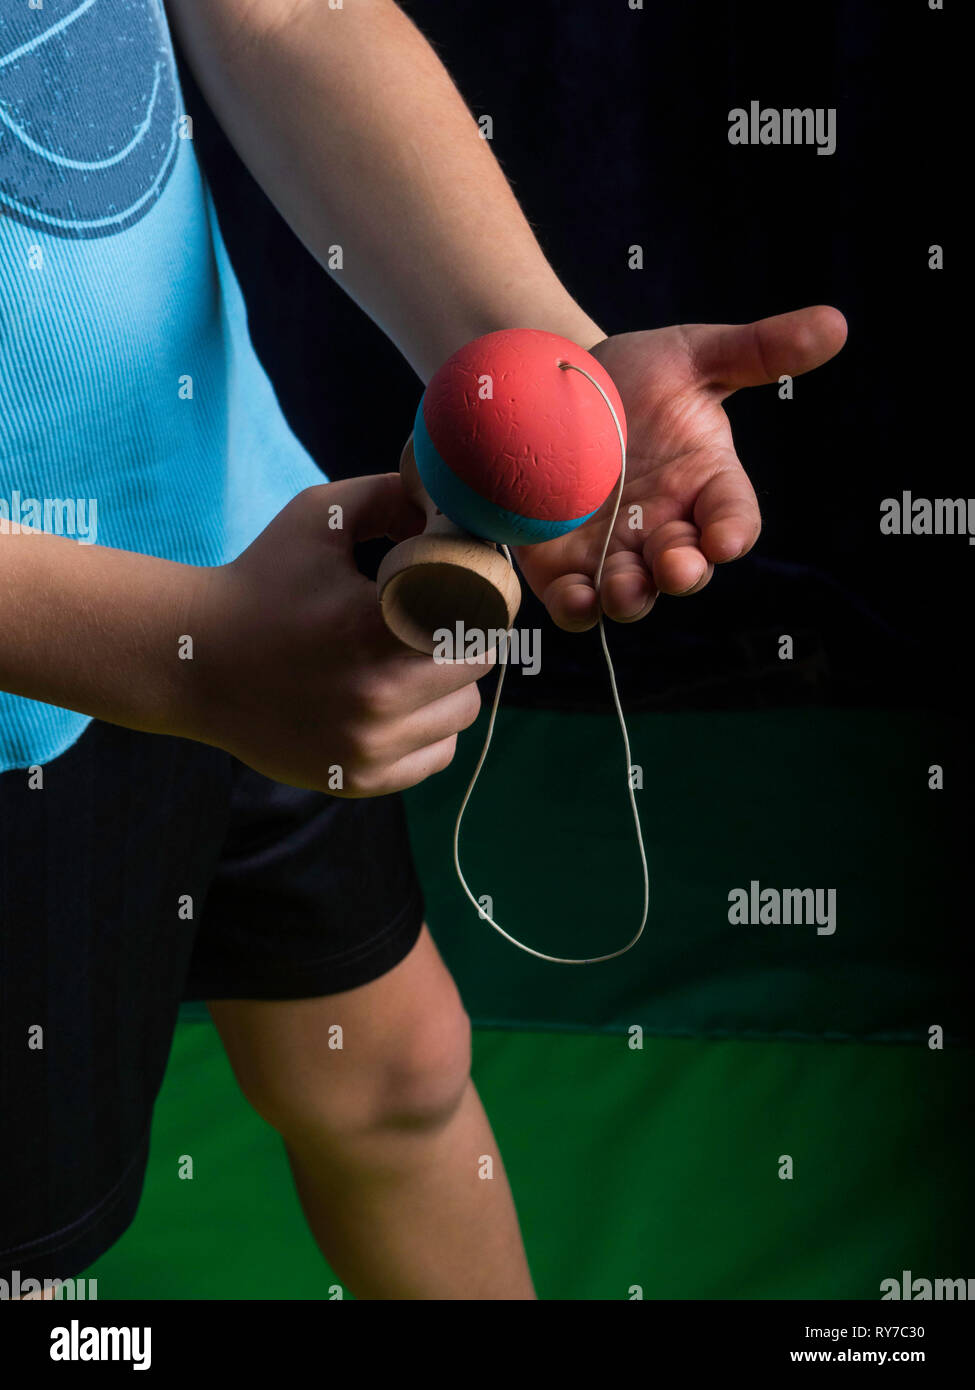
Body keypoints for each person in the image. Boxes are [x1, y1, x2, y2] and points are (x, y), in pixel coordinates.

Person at [0, 0, 846, 1300]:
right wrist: (178, 662)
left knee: (397, 1077)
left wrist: (545, 363)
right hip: (50, 685)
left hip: (231, 533)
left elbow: (288, 13)